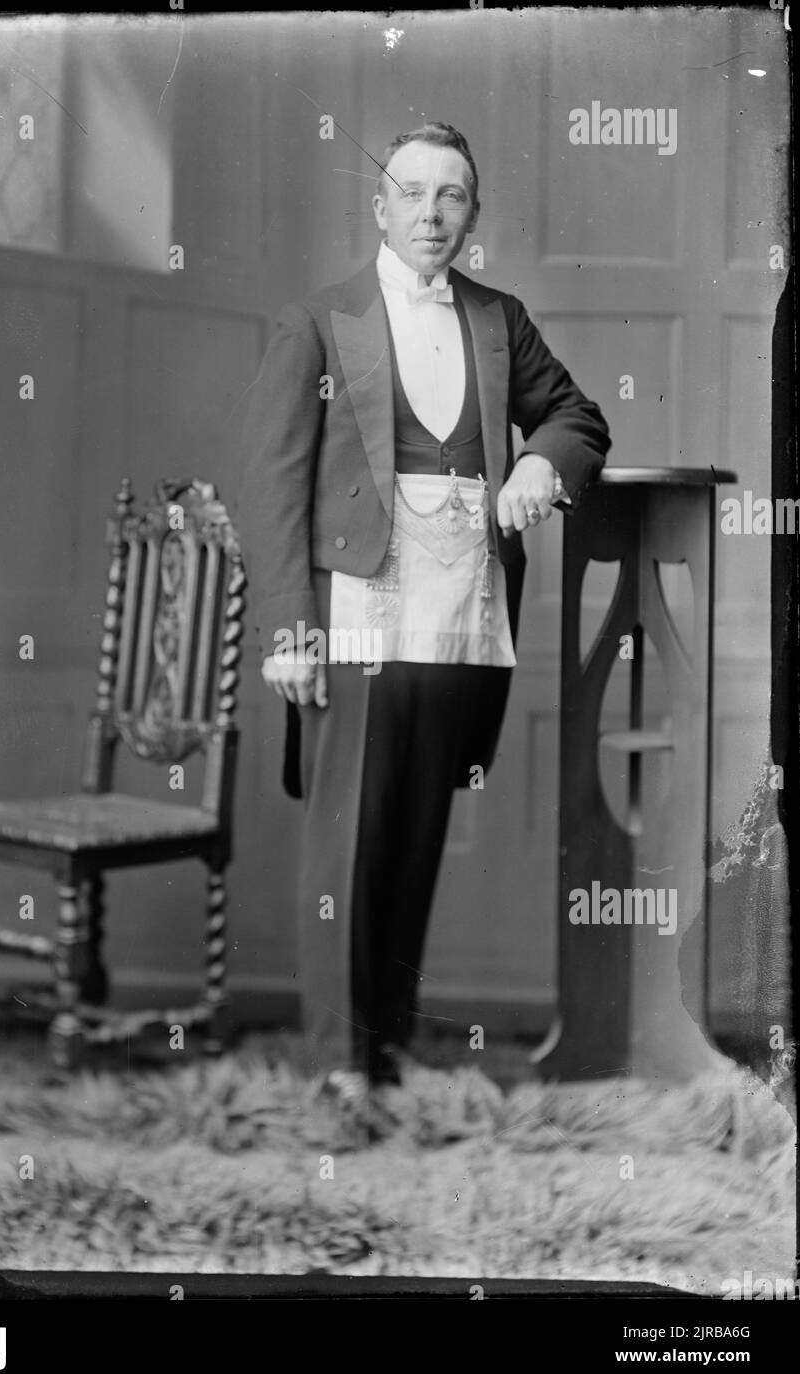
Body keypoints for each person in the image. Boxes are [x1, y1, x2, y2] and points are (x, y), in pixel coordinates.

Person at [239, 122, 611, 1096]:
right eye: (413, 192)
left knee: (412, 840)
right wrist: (287, 628)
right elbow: (273, 485)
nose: (432, 213)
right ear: (380, 206)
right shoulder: (318, 322)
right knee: (344, 847)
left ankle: (386, 1051)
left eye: (452, 196)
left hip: (460, 619)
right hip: (353, 618)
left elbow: (578, 418)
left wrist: (538, 461)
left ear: (472, 213)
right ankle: (333, 1069)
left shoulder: (500, 318)